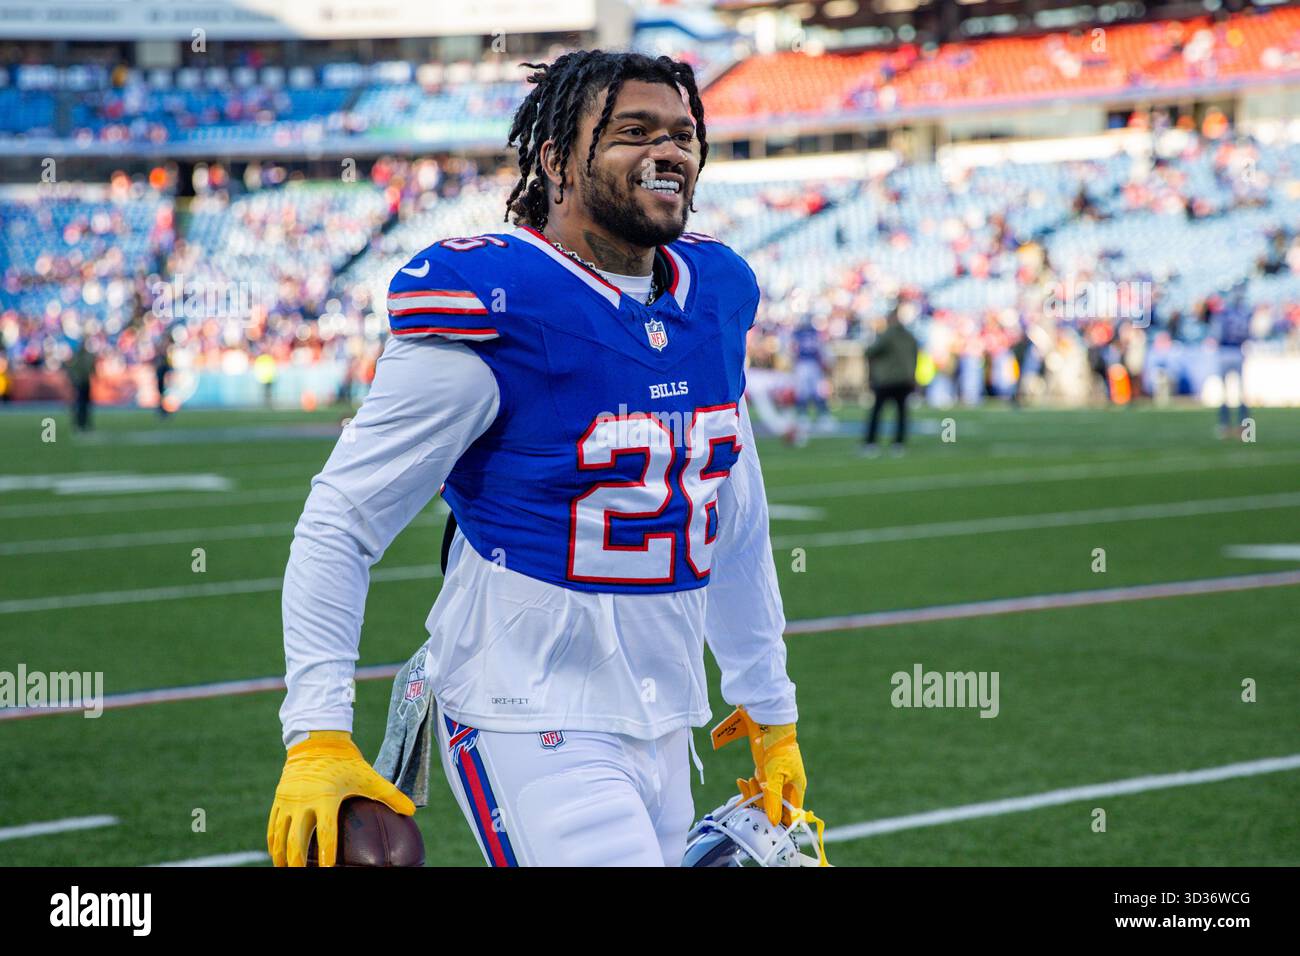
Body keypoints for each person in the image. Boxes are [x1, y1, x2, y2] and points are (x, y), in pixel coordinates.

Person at [268, 51, 809, 868]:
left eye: (683, 135)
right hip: (524, 706)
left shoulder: (716, 292)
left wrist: (771, 711)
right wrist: (316, 731)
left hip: (665, 718)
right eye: (634, 132)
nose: (669, 151)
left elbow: (734, 525)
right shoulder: (500, 301)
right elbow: (341, 521)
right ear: (556, 158)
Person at [862, 307, 919, 455]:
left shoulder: (887, 335)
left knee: (877, 413)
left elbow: (870, 352)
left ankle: (871, 442)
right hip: (905, 380)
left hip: (886, 380)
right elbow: (915, 357)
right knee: (901, 414)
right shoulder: (909, 336)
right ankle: (898, 443)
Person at [67, 338, 96, 432]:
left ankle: (84, 424)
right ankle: (79, 424)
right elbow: (72, 370)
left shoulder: (85, 356)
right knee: (79, 405)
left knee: (84, 405)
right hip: (80, 383)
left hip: (85, 383)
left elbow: (91, 370)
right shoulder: (78, 357)